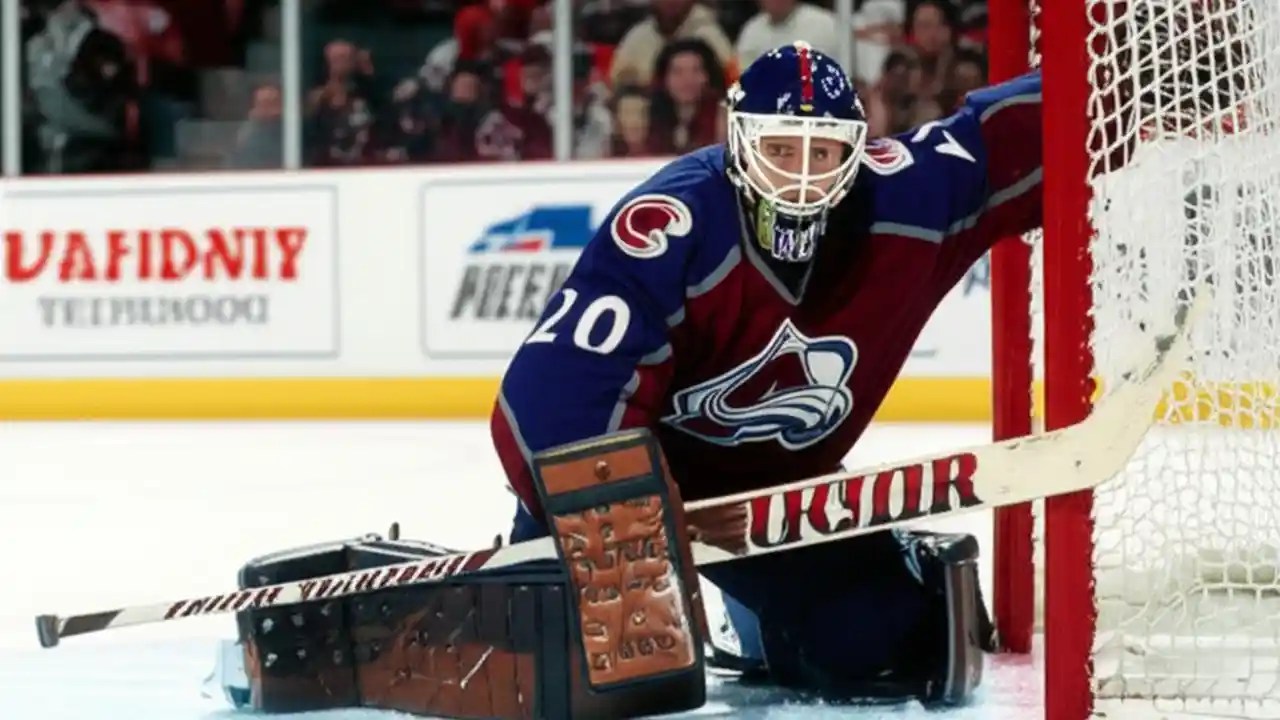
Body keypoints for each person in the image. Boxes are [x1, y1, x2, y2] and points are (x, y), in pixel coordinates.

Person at [491, 41, 1041, 704]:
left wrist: (1127, 80)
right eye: (780, 150)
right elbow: (550, 402)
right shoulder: (673, 225)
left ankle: (761, 617)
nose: (800, 177)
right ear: (739, 142)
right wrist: (633, 540)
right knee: (571, 677)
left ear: (855, 151)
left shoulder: (910, 196)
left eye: (822, 153)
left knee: (892, 650)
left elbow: (1020, 130)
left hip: (778, 495)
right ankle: (518, 591)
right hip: (643, 487)